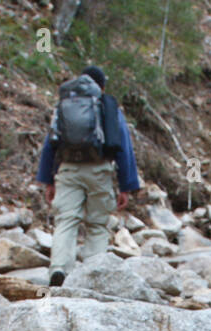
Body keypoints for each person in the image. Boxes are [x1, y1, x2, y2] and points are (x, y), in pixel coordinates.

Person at [35, 65, 141, 286]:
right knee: (97, 225)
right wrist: (126, 185)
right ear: (101, 86)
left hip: (68, 169)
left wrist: (48, 179)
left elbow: (50, 144)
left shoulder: (65, 104)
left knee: (66, 221)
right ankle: (93, 279)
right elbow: (123, 145)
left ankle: (59, 270)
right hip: (99, 170)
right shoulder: (106, 104)